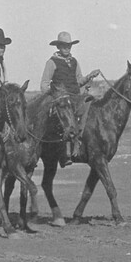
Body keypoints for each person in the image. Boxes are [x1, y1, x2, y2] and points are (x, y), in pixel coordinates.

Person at [40, 31, 100, 166]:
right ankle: (67, 151)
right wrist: (54, 96)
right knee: (66, 118)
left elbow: (79, 81)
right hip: (61, 100)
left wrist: (89, 76)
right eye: (64, 45)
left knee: (90, 105)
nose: (67, 48)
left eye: (69, 45)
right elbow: (44, 84)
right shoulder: (52, 62)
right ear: (58, 47)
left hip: (76, 97)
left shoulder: (74, 62)